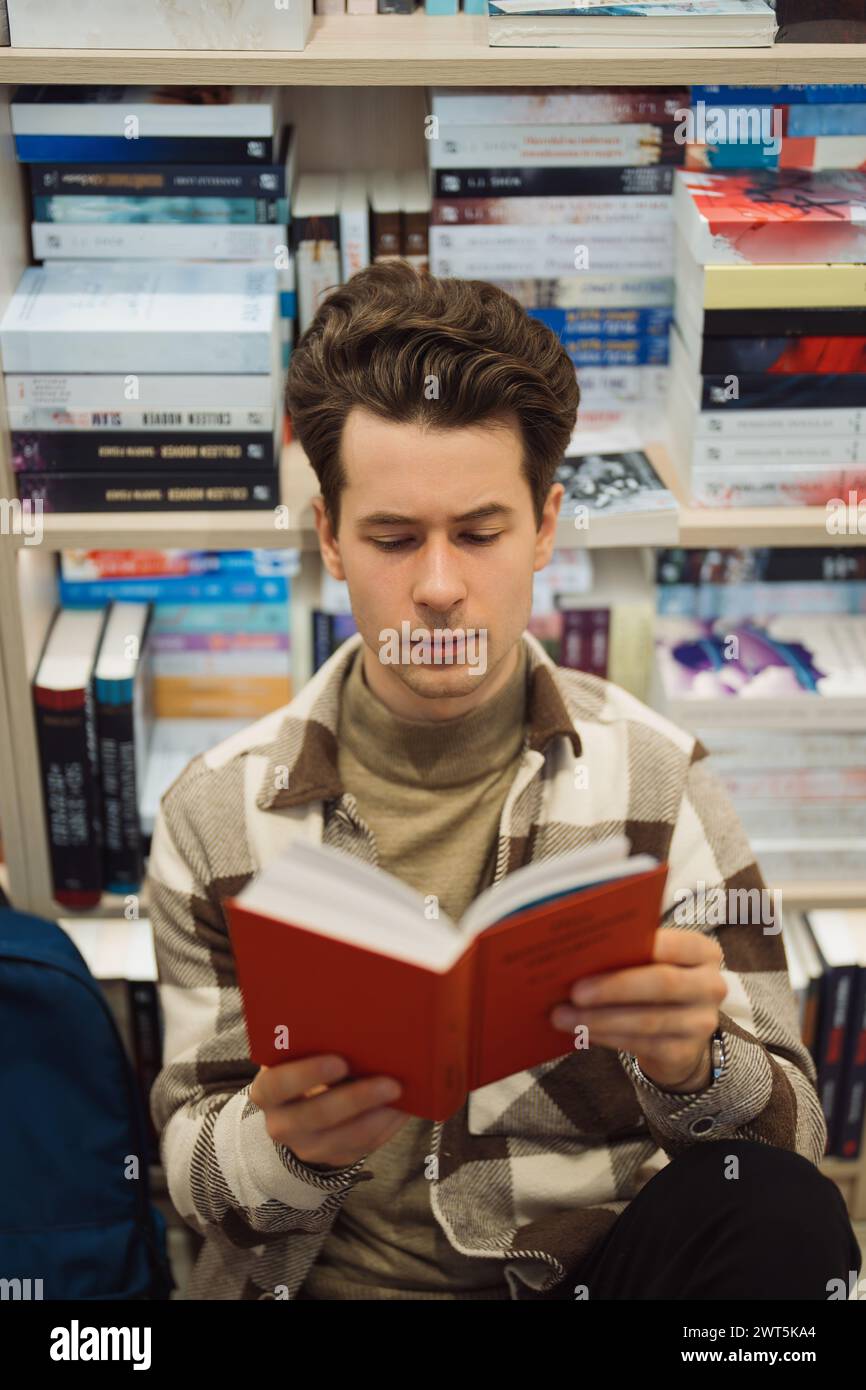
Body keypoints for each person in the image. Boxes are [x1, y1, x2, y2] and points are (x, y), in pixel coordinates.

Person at [148, 262, 861, 1302]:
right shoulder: (214, 812)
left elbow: (793, 1140)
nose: (438, 588)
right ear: (330, 540)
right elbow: (191, 1183)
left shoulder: (655, 778)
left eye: (478, 534)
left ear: (542, 526)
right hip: (322, 1286)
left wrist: (693, 1065)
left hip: (577, 1279)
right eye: (393, 538)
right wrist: (283, 1143)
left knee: (778, 1212)